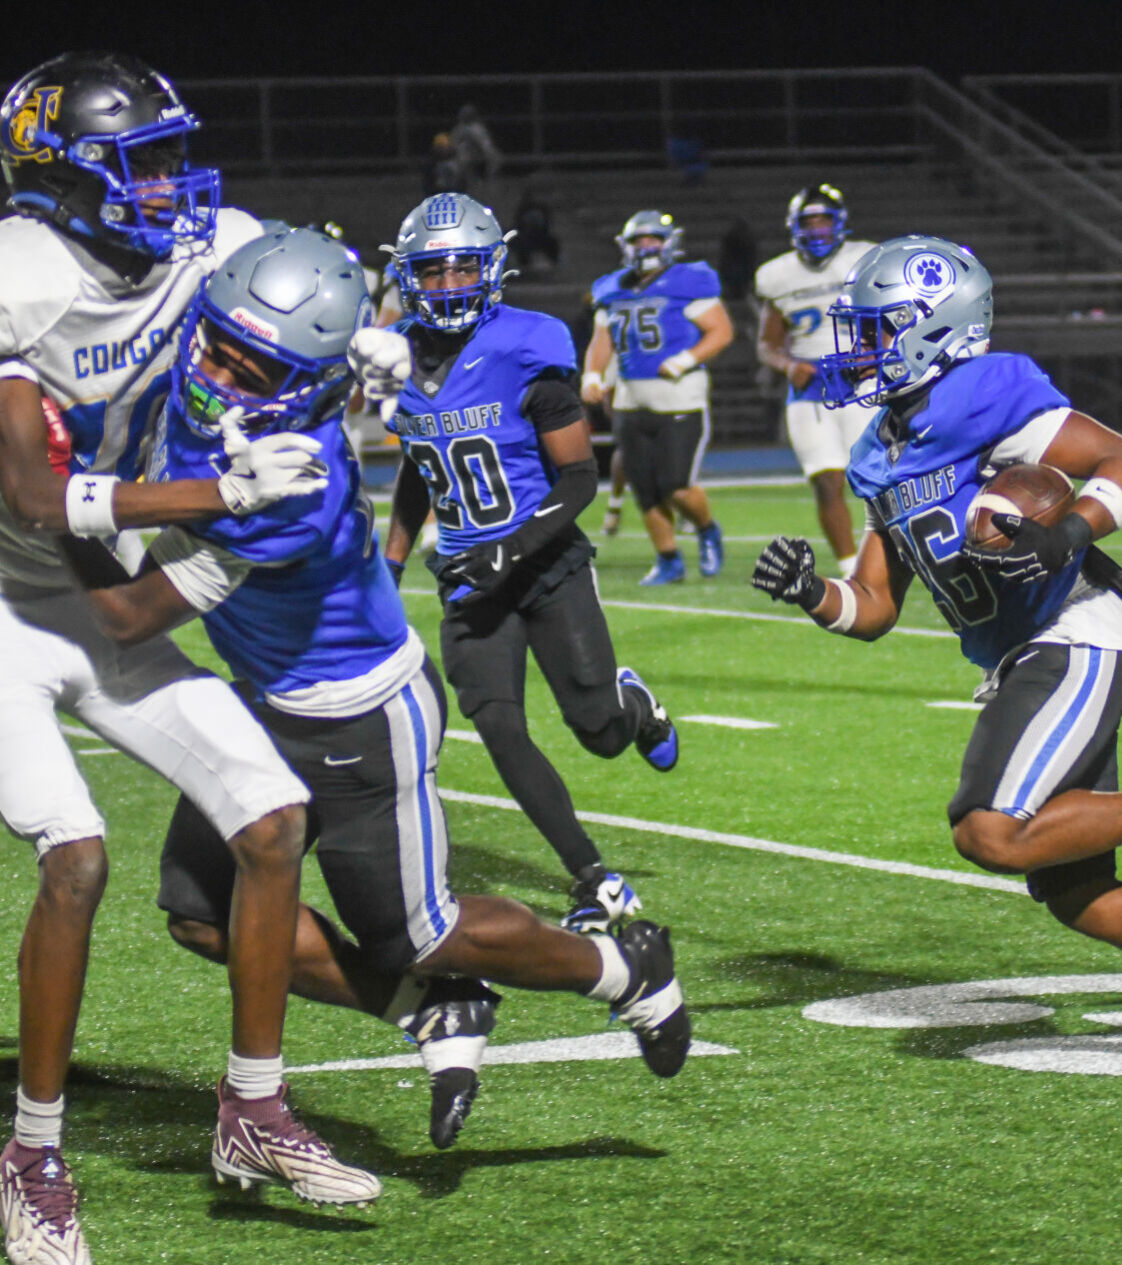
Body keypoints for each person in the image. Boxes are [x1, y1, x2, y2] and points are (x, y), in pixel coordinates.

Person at [61, 226, 692, 1156]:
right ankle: (427, 1007)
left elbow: (126, 616)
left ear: (313, 383)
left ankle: (619, 966)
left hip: (351, 713)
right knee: (200, 916)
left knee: (423, 933)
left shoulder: (291, 479)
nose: (220, 375)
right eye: (217, 344)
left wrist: (55, 503)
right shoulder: (230, 383)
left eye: (253, 366)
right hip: (264, 698)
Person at [752, 235, 1122, 1079]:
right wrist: (810, 590)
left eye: (879, 329)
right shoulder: (875, 451)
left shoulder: (983, 389)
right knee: (1074, 891)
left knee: (988, 830)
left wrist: (1066, 531)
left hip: (1073, 632)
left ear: (937, 328)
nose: (859, 347)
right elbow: (876, 607)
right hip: (1023, 654)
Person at [0, 53, 379, 1261]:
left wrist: (374, 349)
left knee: (272, 818)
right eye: (144, 162)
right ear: (62, 175)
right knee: (77, 854)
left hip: (101, 596)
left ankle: (253, 1110)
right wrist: (218, 491)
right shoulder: (20, 275)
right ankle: (32, 1155)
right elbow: (33, 495)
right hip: (5, 606)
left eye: (171, 156)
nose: (171, 184)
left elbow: (298, 299)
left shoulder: (204, 245)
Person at [349, 192, 679, 934]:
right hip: (470, 576)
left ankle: (634, 707)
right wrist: (391, 562)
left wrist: (511, 547)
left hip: (546, 563)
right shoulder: (392, 355)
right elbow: (420, 467)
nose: (448, 285)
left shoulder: (527, 343)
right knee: (498, 726)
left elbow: (579, 479)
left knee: (598, 731)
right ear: (407, 277)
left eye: (464, 268)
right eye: (432, 272)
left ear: (493, 268)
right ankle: (595, 879)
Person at [582, 210, 732, 585]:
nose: (646, 247)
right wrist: (593, 375)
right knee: (645, 488)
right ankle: (668, 560)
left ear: (669, 244)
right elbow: (602, 340)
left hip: (679, 398)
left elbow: (721, 331)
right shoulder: (612, 288)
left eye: (653, 239)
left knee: (676, 484)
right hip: (630, 400)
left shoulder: (687, 281)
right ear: (626, 246)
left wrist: (685, 359)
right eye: (639, 240)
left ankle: (707, 529)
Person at [754, 184, 876, 574]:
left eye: (824, 220)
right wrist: (788, 365)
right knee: (826, 481)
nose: (818, 229)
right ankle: (851, 569)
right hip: (811, 388)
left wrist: (876, 353)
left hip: (866, 381)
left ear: (840, 222)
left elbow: (899, 314)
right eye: (809, 222)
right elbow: (767, 344)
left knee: (881, 479)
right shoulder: (777, 274)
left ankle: (897, 555)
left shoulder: (867, 259)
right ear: (795, 226)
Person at [450, 103, 502, 190]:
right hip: (465, 157)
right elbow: (454, 145)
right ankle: (468, 183)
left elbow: (486, 145)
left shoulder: (478, 128)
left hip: (480, 155)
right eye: (465, 114)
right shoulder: (458, 129)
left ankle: (490, 181)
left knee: (495, 156)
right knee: (462, 154)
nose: (466, 116)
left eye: (469, 114)